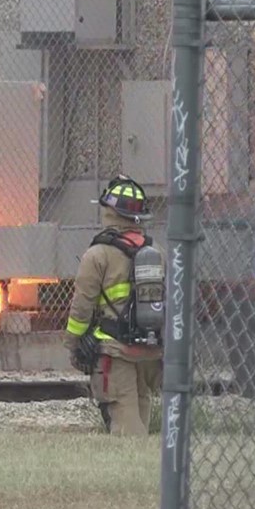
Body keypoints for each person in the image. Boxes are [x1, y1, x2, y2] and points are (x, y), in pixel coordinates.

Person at [64, 175, 165, 436]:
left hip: (115, 350)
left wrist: (74, 345)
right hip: (151, 349)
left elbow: (81, 309)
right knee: (141, 407)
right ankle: (146, 460)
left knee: (126, 426)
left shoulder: (98, 254)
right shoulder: (157, 252)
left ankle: (133, 460)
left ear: (110, 212)